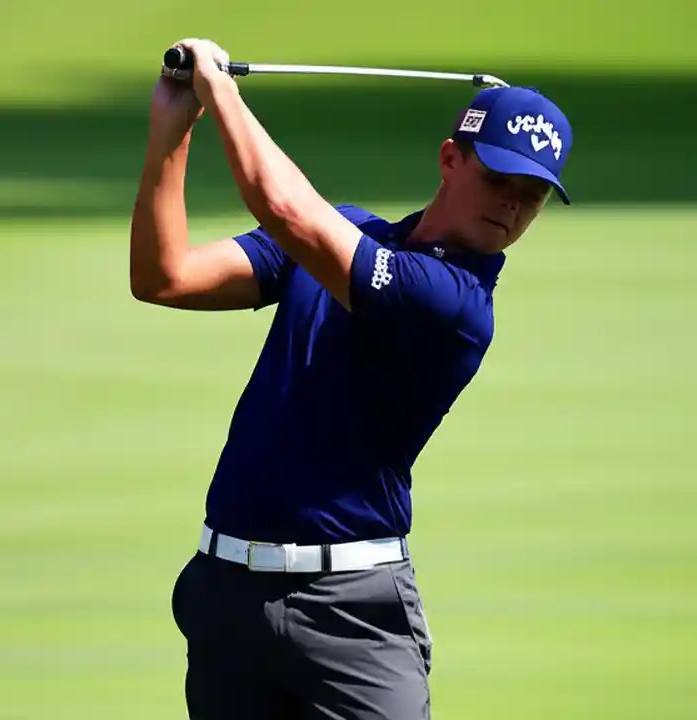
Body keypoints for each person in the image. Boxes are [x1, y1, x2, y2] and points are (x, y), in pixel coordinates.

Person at [129, 37, 573, 720]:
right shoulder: (344, 233)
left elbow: (285, 208)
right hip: (227, 601)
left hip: (354, 615)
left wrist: (220, 93)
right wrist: (171, 130)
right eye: (499, 182)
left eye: (532, 197)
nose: (511, 208)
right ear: (451, 159)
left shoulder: (454, 304)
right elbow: (165, 277)